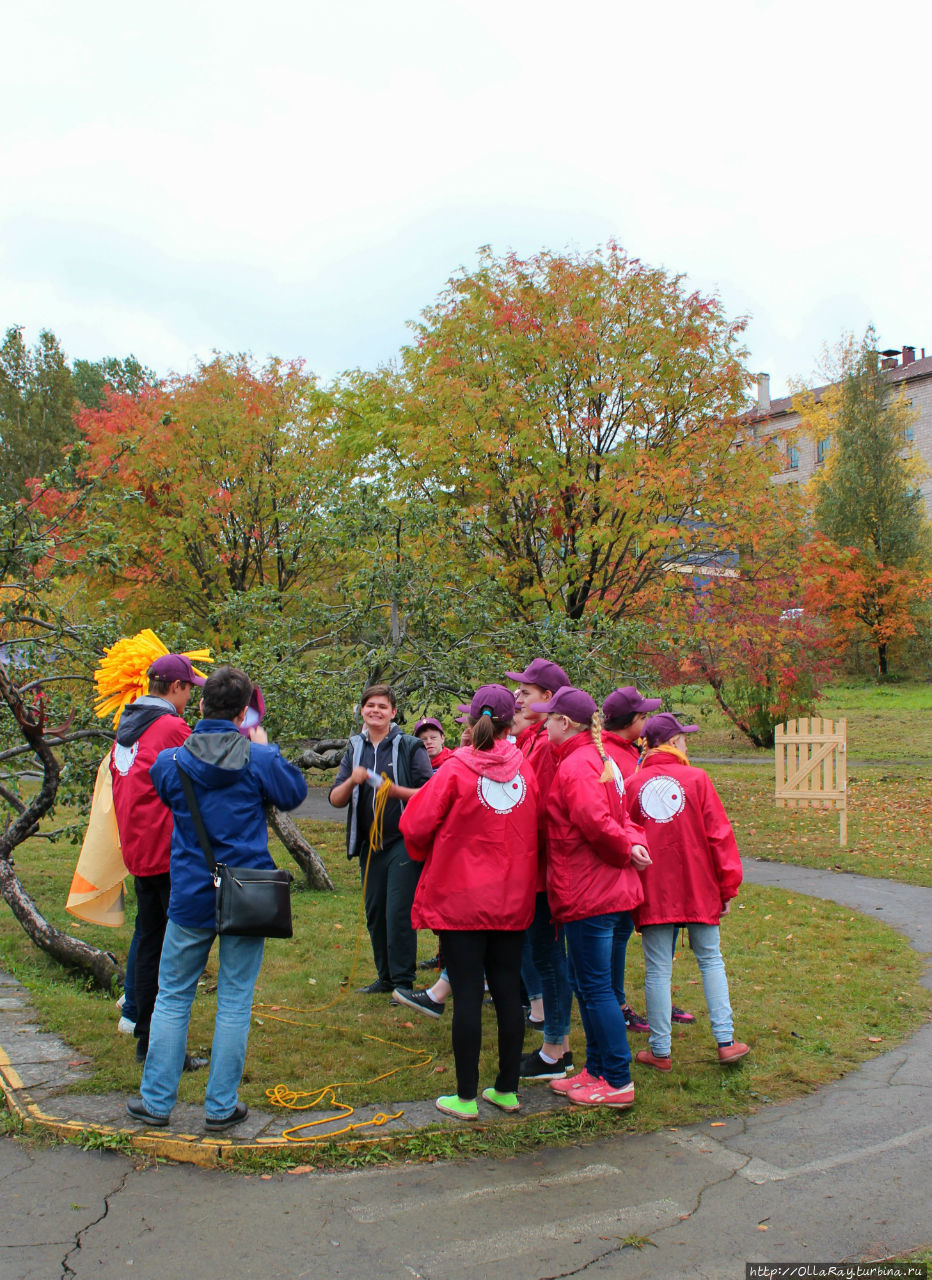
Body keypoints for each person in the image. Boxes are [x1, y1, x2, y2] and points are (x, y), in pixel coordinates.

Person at [126, 665, 307, 1130]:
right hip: (247, 893)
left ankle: (157, 1102)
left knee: (172, 997)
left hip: (189, 893)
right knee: (234, 1000)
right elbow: (294, 793)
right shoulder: (258, 758)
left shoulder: (171, 762)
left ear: (202, 705)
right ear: (244, 711)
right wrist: (268, 747)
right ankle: (221, 1107)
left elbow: (168, 796)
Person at [399, 684, 539, 1119]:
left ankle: (464, 1098)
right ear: (509, 722)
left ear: (471, 721)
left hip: (461, 901)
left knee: (466, 995)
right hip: (511, 899)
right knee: (505, 989)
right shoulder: (526, 771)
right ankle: (506, 1089)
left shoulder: (456, 770)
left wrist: (430, 853)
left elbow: (415, 823)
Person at [532, 686, 652, 1109]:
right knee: (587, 985)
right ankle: (597, 1069)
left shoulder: (578, 765)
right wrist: (630, 843)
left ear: (565, 722)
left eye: (548, 718)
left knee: (597, 989)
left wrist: (624, 847)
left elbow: (598, 822)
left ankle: (617, 1078)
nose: (543, 723)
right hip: (596, 890)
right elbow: (621, 820)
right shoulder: (594, 759)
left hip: (590, 891)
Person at [626, 713, 748, 1071]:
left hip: (655, 891)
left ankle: (660, 1050)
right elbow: (719, 836)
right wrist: (726, 887)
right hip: (699, 887)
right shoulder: (698, 779)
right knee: (711, 959)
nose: (687, 744)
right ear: (673, 743)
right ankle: (725, 1040)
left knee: (658, 969)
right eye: (683, 739)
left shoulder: (634, 784)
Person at [109, 653, 205, 1068]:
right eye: (188, 690)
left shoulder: (127, 724)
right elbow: (202, 772)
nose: (189, 699)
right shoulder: (170, 727)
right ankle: (167, 1048)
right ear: (176, 688)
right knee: (176, 953)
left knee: (150, 942)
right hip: (168, 851)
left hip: (138, 850)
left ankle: (145, 1036)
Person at [329, 685, 432, 995]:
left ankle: (403, 981)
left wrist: (395, 791)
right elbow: (335, 799)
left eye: (382, 706)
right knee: (375, 911)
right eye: (370, 705)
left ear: (393, 713)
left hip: (402, 840)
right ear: (362, 710)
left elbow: (430, 793)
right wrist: (352, 780)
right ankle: (385, 977)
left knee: (398, 910)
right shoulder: (354, 748)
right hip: (369, 845)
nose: (375, 710)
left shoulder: (410, 746)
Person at [504, 659, 577, 1082]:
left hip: (546, 870)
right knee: (546, 956)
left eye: (526, 693)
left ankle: (554, 1051)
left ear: (549, 700)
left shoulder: (546, 747)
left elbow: (542, 808)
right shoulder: (531, 740)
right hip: (536, 867)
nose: (518, 697)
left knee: (549, 959)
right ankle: (559, 1046)